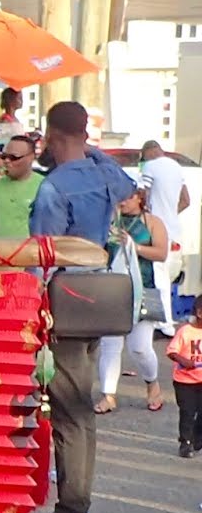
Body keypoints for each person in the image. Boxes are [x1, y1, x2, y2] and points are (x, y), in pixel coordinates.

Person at [16, 100, 135, 513]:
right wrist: (93, 152)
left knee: (69, 411)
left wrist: (29, 313)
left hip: (62, 303)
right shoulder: (103, 173)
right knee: (80, 406)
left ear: (50, 136)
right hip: (96, 302)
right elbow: (126, 183)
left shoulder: (53, 190)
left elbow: (39, 259)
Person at [95, 188, 167, 414]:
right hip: (113, 287)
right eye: (120, 197)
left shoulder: (152, 222)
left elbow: (161, 253)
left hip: (142, 287)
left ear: (140, 198)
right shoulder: (110, 220)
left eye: (128, 197)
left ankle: (152, 383)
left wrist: (135, 247)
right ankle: (108, 394)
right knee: (110, 344)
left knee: (140, 348)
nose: (123, 202)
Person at [139, 139, 190, 336]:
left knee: (157, 276)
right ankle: (164, 320)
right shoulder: (176, 167)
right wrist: (170, 214)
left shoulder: (150, 167)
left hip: (155, 229)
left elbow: (143, 195)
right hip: (173, 229)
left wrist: (152, 218)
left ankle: (164, 323)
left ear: (149, 153)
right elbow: (186, 200)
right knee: (166, 276)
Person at [0, 132, 44, 237]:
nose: (7, 161)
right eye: (4, 156)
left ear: (31, 157)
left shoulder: (45, 186)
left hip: (31, 251)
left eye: (14, 157)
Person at [165, 306, 202, 456]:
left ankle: (197, 438)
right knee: (187, 412)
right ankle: (185, 442)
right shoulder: (185, 332)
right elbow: (171, 351)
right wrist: (184, 361)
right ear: (199, 313)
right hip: (185, 382)